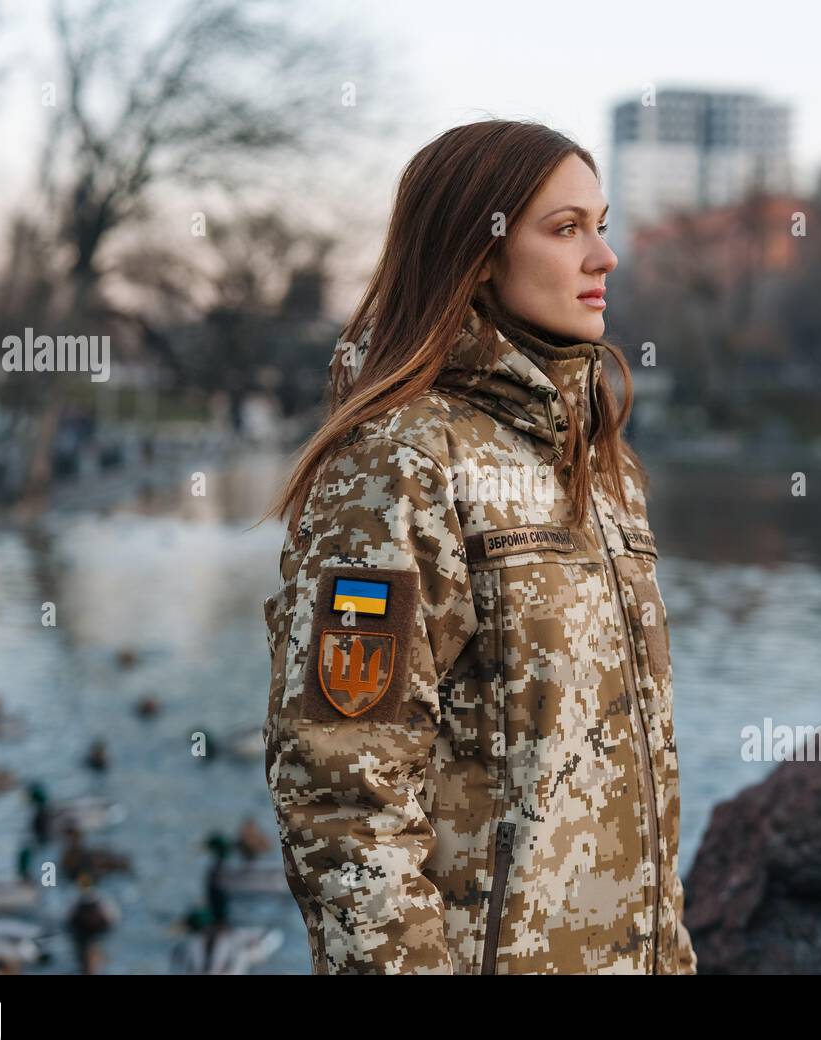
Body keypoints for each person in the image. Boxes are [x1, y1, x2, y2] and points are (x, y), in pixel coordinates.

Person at [258, 119, 695, 975]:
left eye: (602, 226)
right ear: (480, 253)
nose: (604, 256)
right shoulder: (402, 462)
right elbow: (344, 802)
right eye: (566, 229)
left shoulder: (602, 464)